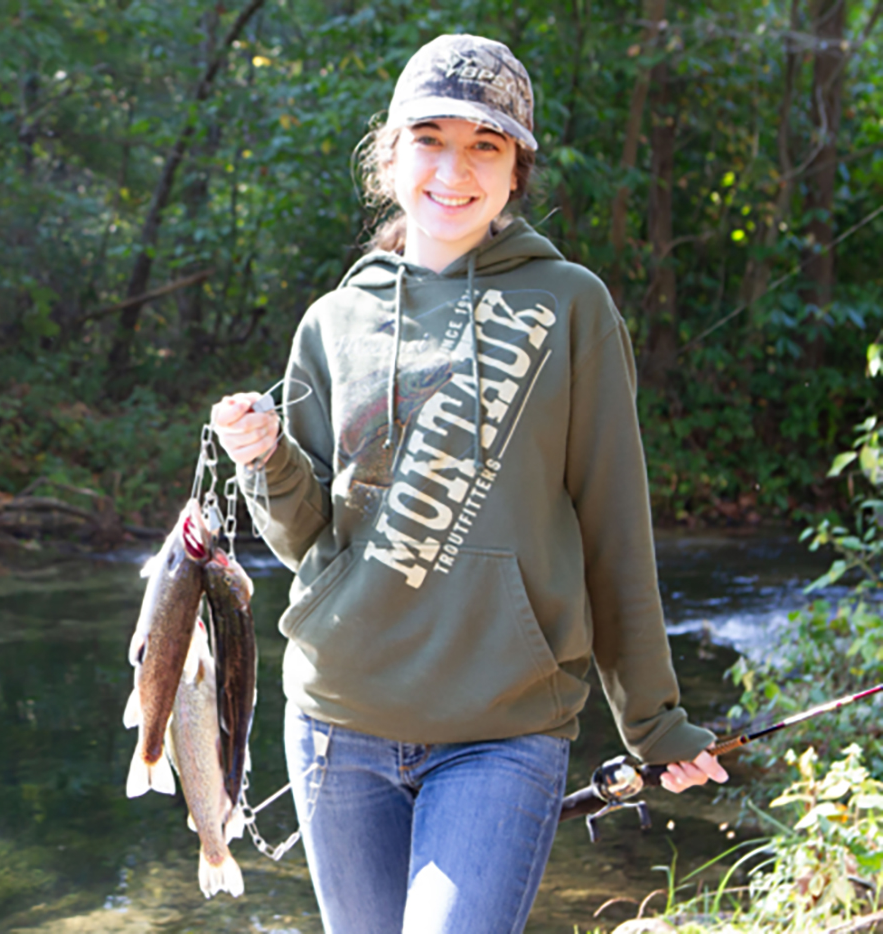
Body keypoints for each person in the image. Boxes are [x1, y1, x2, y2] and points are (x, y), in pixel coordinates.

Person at [210, 33, 727, 934]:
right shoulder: (336, 319)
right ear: (392, 154)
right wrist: (263, 457)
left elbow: (614, 531)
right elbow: (307, 538)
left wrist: (655, 722)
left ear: (516, 169)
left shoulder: (570, 305)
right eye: (430, 140)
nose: (454, 169)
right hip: (338, 721)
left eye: (484, 145)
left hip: (503, 732)